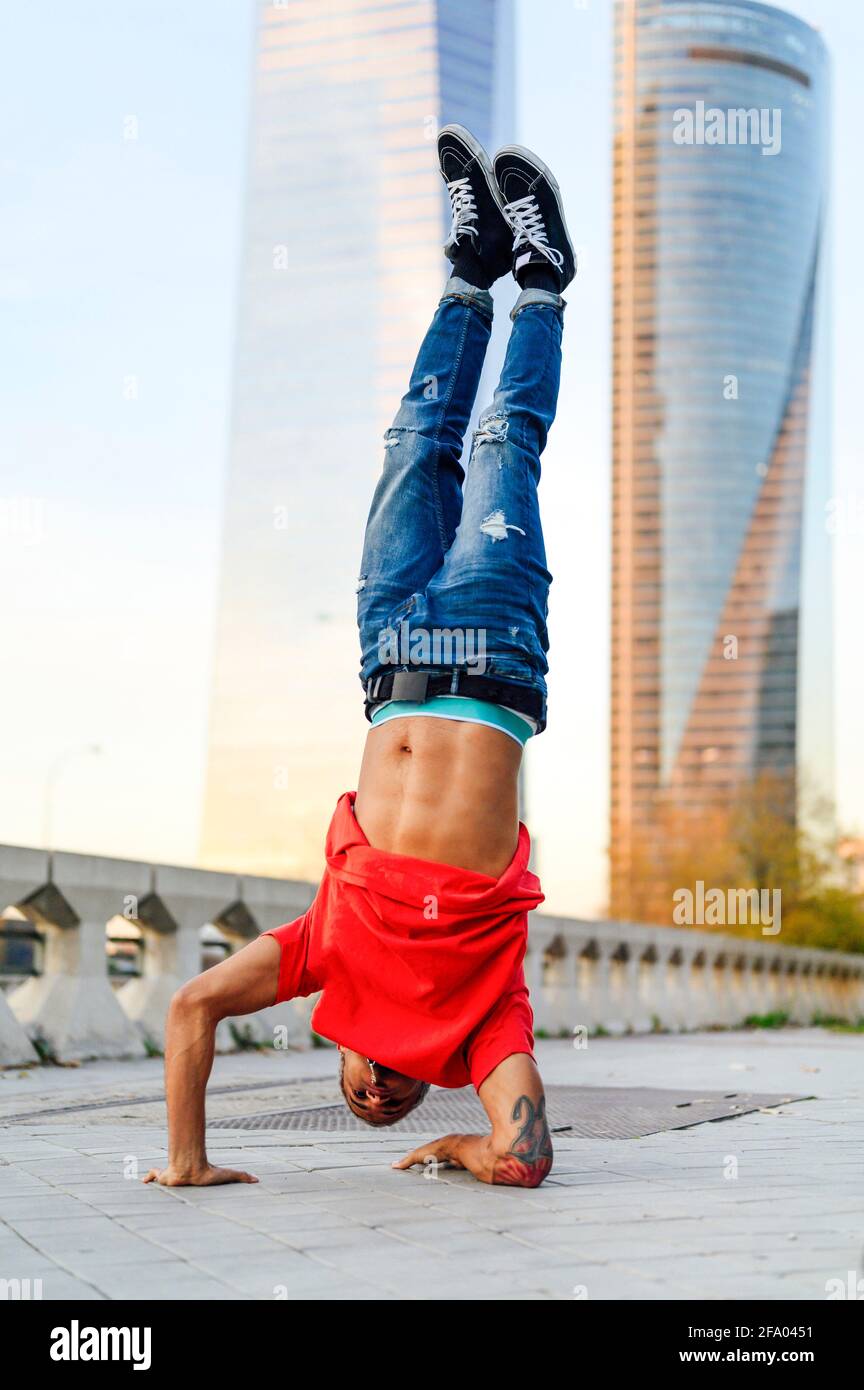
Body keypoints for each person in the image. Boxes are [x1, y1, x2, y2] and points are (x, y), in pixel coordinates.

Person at [145, 125, 575, 1191]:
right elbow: (525, 1156)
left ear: (336, 1054)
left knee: (413, 438)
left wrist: (188, 1163)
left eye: (361, 1099)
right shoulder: (484, 1022)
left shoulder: (322, 953)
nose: (380, 1097)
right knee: (497, 444)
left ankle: (470, 275)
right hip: (490, 658)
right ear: (434, 1076)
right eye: (399, 1100)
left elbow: (191, 1004)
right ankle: (543, 286)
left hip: (389, 650)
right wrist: (467, 1142)